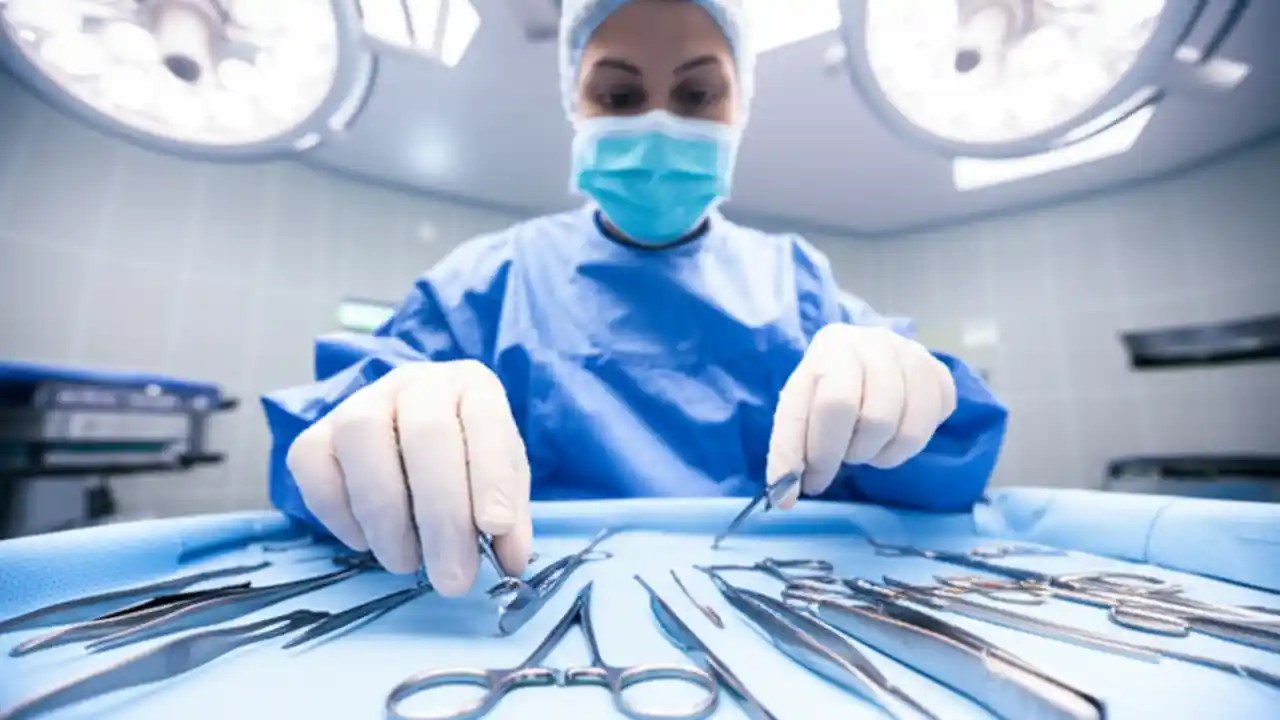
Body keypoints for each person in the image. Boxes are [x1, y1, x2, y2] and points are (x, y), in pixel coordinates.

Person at [264, 0, 1008, 597]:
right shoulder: (489, 281)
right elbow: (327, 448)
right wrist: (376, 430)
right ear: (575, 105)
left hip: (775, 604)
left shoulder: (799, 284)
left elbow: (939, 474)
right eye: (619, 95)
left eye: (697, 94)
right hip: (528, 610)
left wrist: (916, 403)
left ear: (740, 107)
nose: (657, 124)